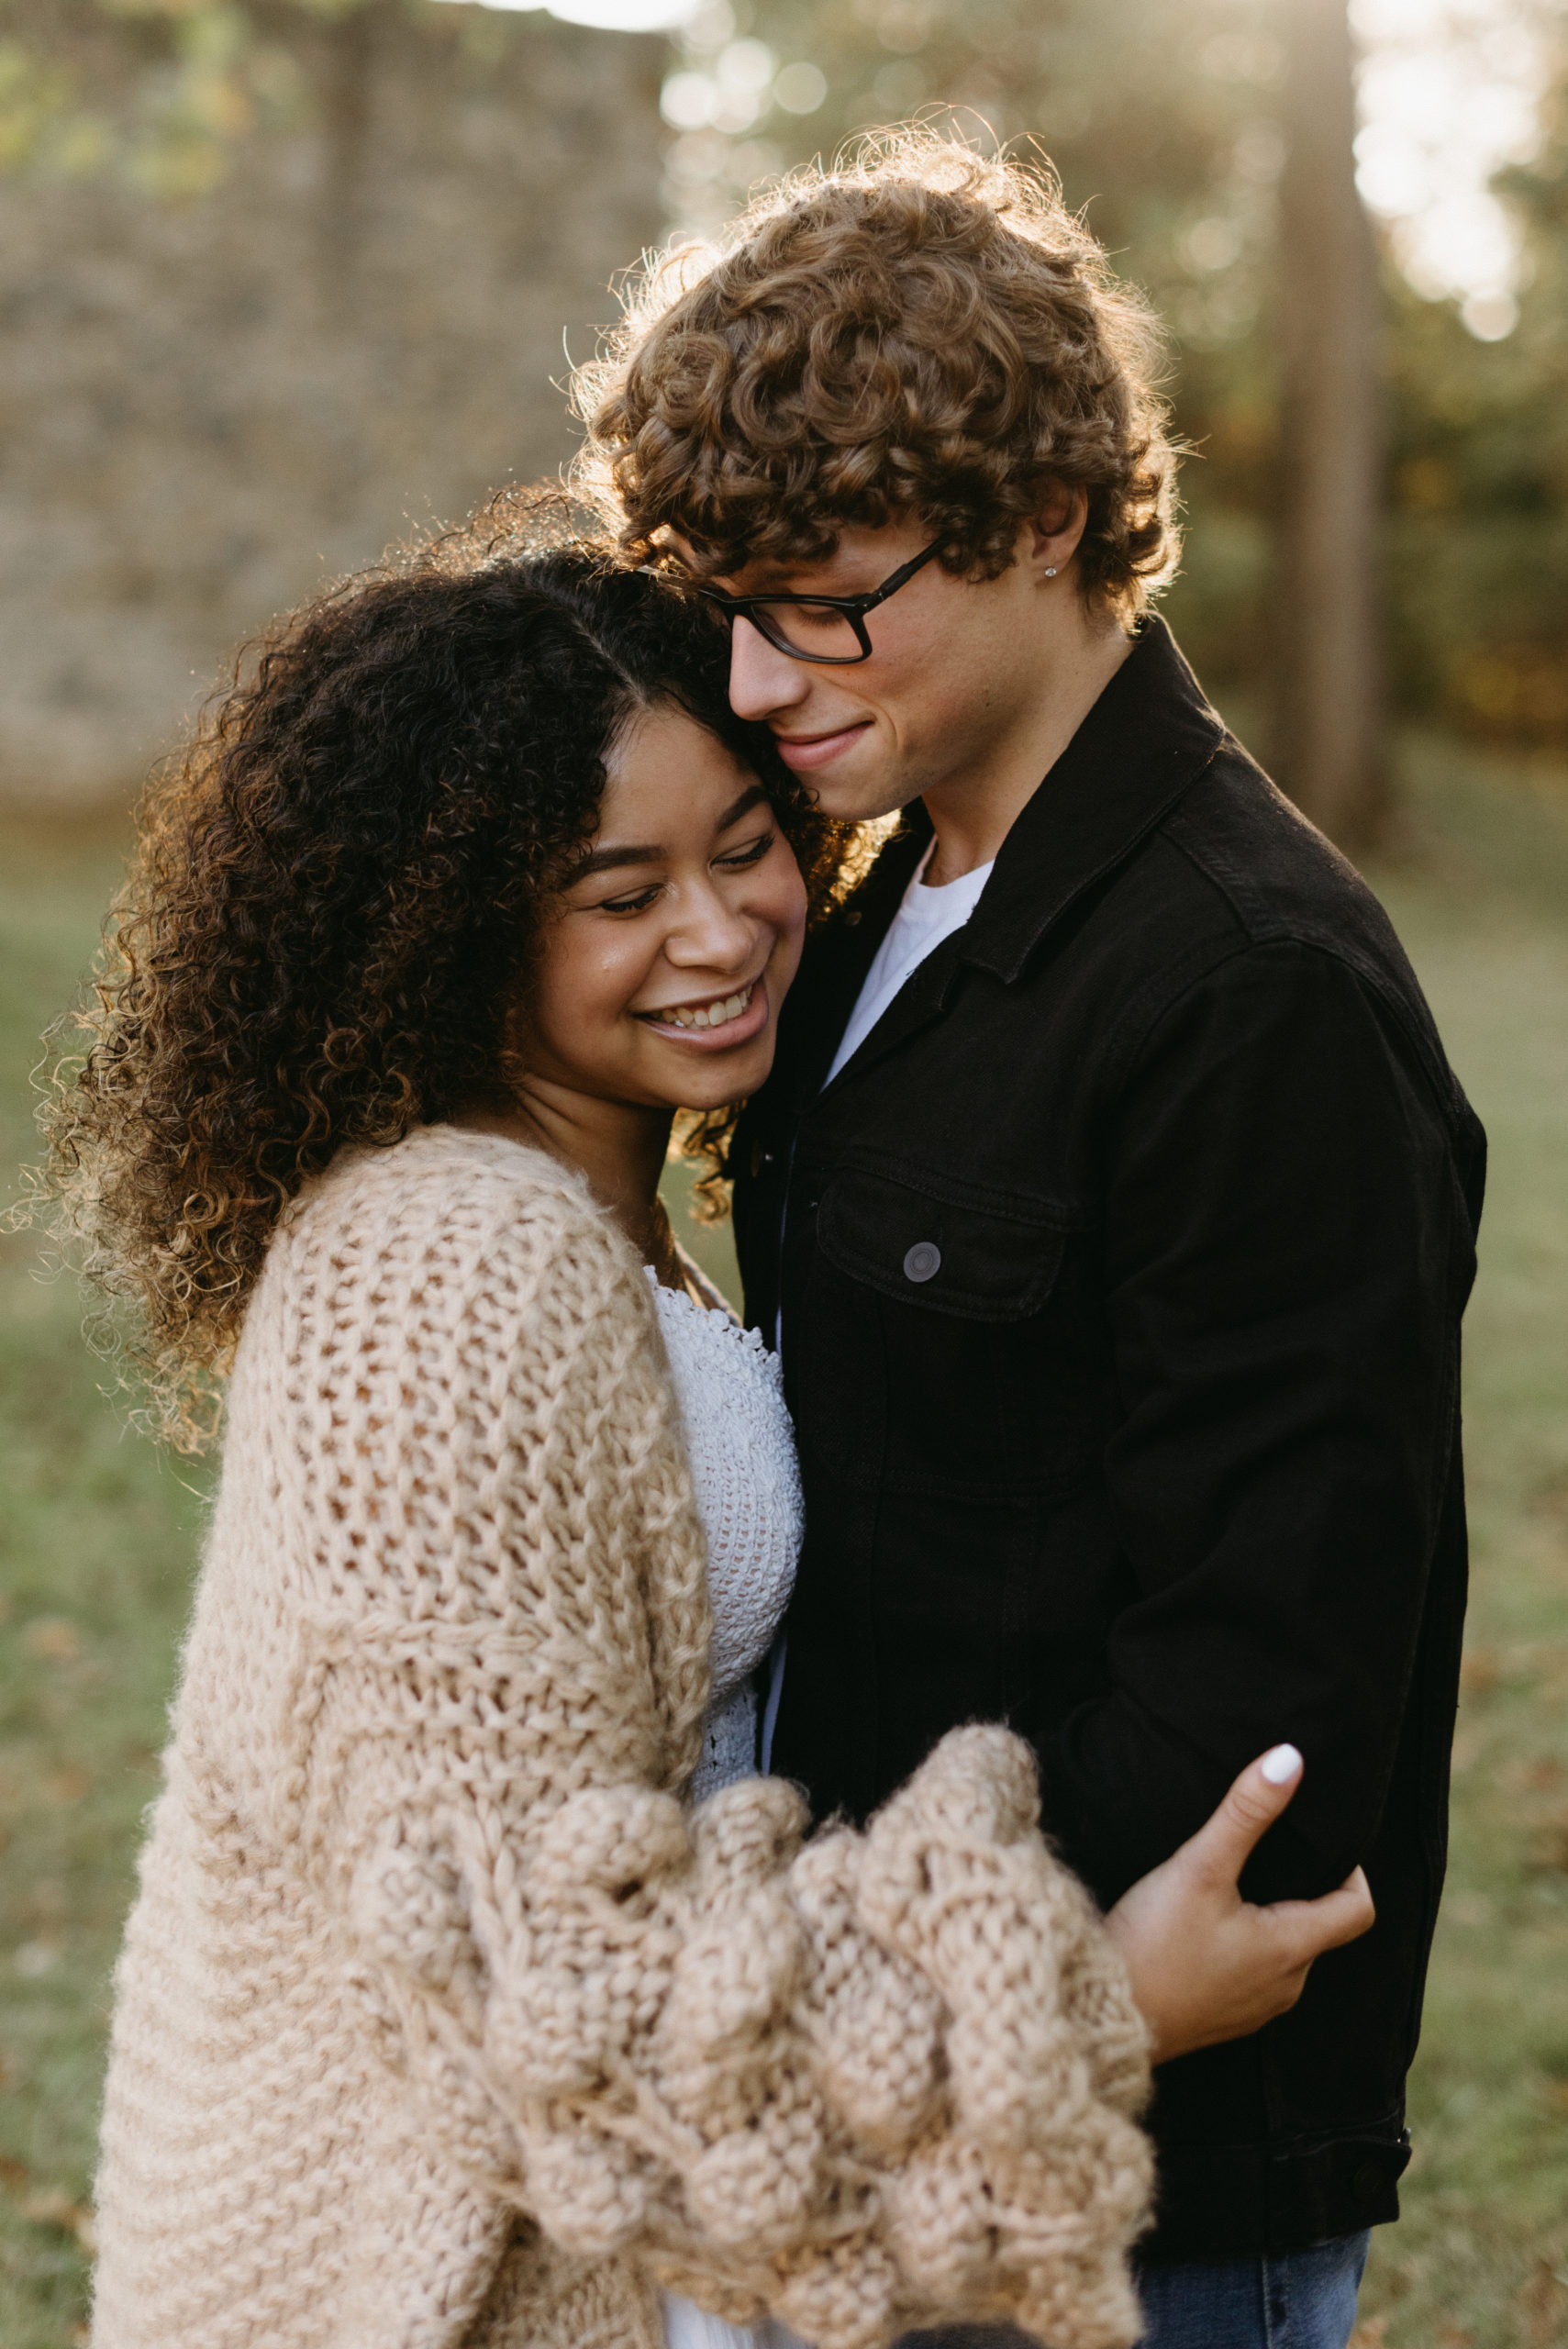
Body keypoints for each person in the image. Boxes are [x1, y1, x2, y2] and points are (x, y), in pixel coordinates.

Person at [43, 497, 1370, 2349]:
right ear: (455, 928)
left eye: (746, 844)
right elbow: (540, 1978)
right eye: (619, 890)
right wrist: (1097, 1991)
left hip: (656, 2222)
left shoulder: (596, 1209)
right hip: (444, 2265)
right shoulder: (444, 1271)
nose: (723, 925)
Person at [578, 132, 1485, 2349]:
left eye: (821, 591)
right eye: (724, 598)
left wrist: (885, 2023)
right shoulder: (888, 881)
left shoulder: (1248, 984)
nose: (761, 675)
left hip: (1122, 2187)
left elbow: (1257, 1698)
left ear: (1049, 519)